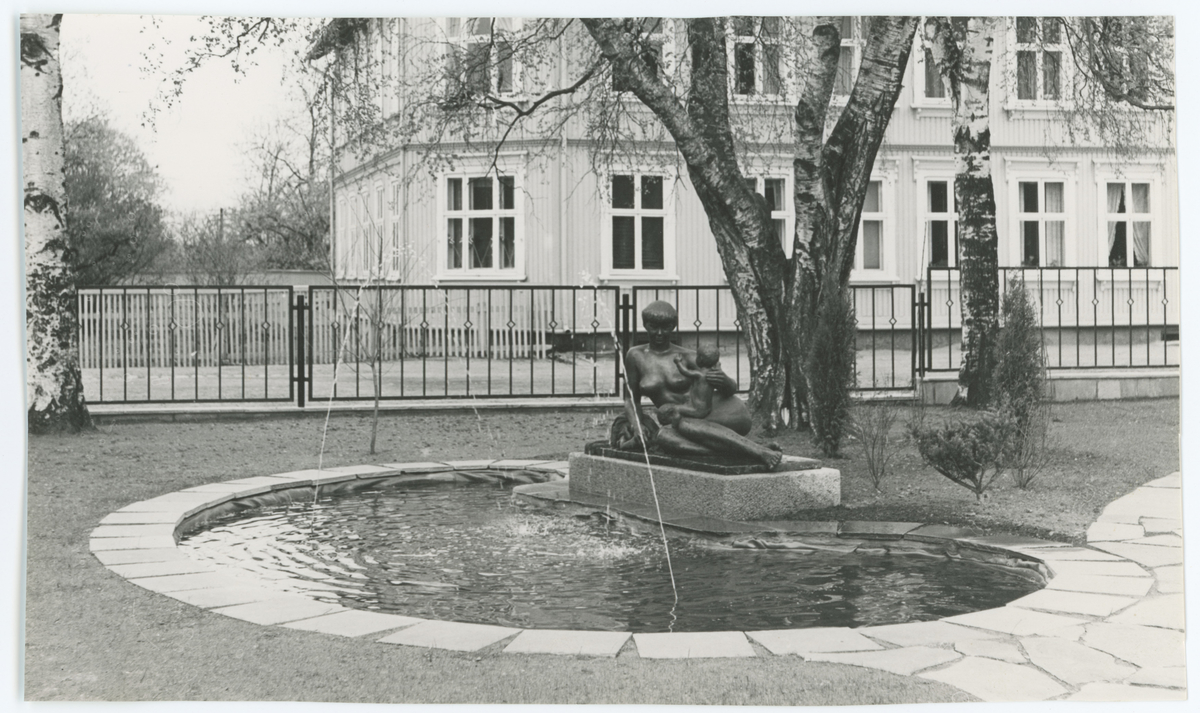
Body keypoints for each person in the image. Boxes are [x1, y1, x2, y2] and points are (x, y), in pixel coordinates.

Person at [617, 301, 783, 469]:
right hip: (680, 420)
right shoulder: (635, 356)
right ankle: (746, 450)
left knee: (684, 424)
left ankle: (759, 452)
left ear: (673, 326)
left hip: (720, 411)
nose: (659, 333)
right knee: (665, 437)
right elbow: (631, 399)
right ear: (645, 325)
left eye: (665, 327)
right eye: (654, 327)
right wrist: (637, 427)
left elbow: (730, 388)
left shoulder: (688, 357)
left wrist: (723, 380)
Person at [661, 345, 722, 426]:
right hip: (708, 408)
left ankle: (675, 427)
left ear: (700, 359)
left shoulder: (699, 374)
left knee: (676, 409)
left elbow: (685, 372)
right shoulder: (712, 373)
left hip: (698, 410)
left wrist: (678, 363)